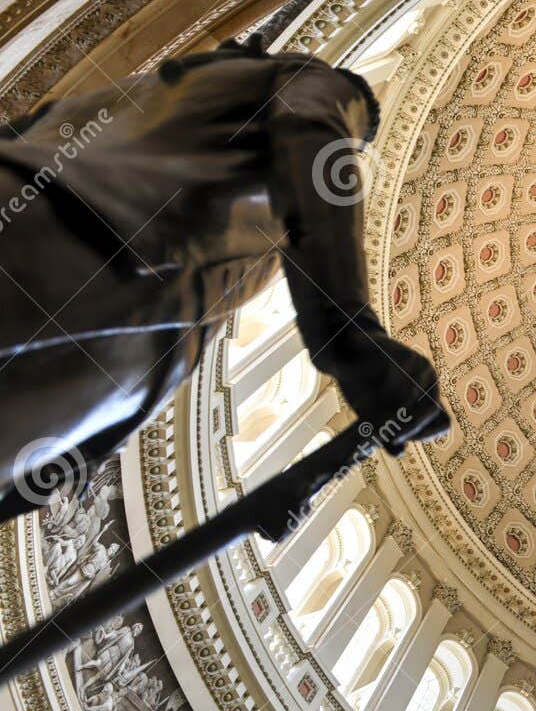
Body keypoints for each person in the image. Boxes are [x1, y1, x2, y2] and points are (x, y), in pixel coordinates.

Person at [0, 36, 448, 526]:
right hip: (97, 264)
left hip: (113, 326)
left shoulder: (165, 89)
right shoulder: (314, 85)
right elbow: (316, 151)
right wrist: (351, 335)